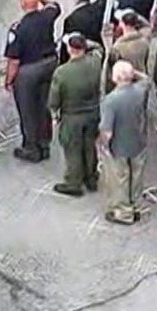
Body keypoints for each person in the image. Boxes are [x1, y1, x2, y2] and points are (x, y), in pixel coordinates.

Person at [6, 0, 63, 162]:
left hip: (29, 70)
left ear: (23, 5)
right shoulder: (47, 16)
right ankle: (44, 143)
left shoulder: (18, 28)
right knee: (44, 105)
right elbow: (55, 6)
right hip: (50, 64)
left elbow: (14, 60)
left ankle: (31, 147)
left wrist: (9, 80)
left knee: (27, 109)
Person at [48, 34, 105, 197]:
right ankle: (91, 177)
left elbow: (54, 99)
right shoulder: (95, 62)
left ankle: (73, 182)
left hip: (72, 116)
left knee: (72, 149)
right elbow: (99, 48)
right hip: (93, 112)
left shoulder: (62, 72)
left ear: (69, 49)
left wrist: (54, 113)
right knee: (89, 146)